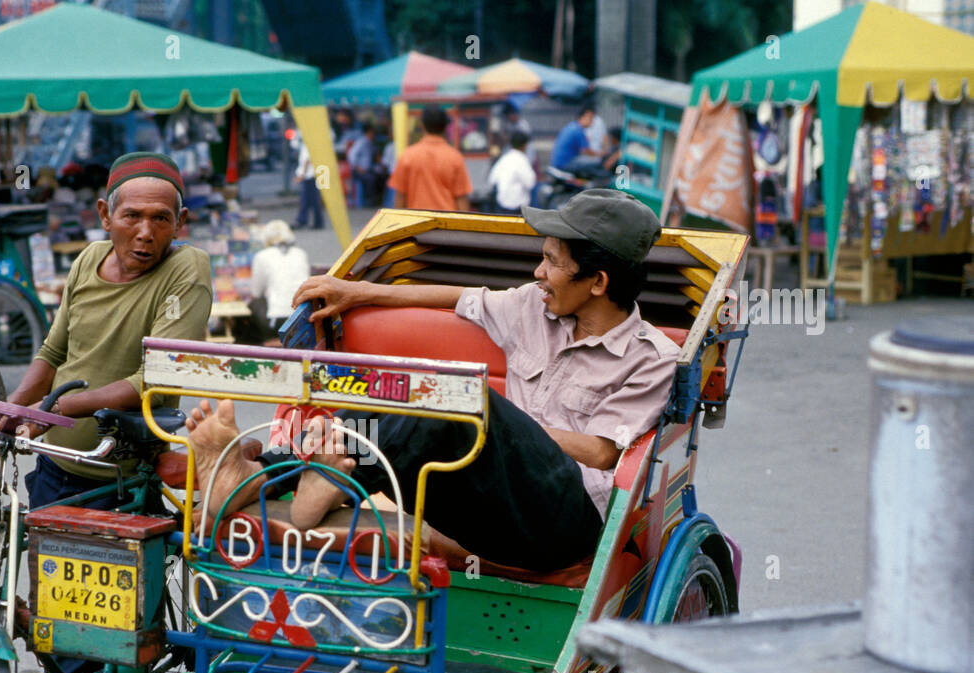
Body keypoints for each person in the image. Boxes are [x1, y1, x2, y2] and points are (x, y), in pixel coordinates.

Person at [186, 189, 678, 578]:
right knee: (418, 388)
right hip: (485, 503)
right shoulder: (533, 305)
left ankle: (338, 479)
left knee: (463, 399)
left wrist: (495, 428)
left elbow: (600, 453)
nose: (538, 272)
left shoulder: (652, 358)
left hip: (562, 524)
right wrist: (356, 290)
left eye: (552, 262)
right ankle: (266, 474)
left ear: (598, 282)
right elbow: (459, 296)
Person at [0, 152, 213, 673]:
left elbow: (171, 368)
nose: (145, 231)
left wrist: (78, 404)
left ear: (180, 224)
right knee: (52, 627)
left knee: (78, 635)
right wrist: (20, 408)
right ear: (104, 217)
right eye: (132, 216)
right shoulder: (88, 262)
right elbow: (55, 351)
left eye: (161, 218)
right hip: (59, 473)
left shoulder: (187, 271)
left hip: (126, 474)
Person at [387, 106, 472, 212]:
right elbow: (461, 198)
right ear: (446, 126)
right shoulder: (455, 157)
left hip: (416, 224)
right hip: (447, 225)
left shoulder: (407, 156)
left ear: (422, 125)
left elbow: (400, 197)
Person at [248, 219, 310, 344]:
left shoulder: (262, 256)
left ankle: (264, 343)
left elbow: (256, 293)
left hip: (276, 319)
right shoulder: (301, 254)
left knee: (255, 303)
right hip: (303, 315)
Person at [487, 131, 537, 214]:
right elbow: (530, 183)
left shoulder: (504, 159)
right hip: (517, 209)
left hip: (501, 206)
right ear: (524, 145)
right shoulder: (522, 161)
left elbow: (492, 179)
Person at [550, 104, 601, 175]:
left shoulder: (572, 126)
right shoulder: (578, 130)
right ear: (582, 117)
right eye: (590, 118)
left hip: (559, 162)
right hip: (566, 163)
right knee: (597, 162)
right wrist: (601, 155)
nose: (592, 121)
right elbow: (588, 152)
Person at [291, 135, 324, 230]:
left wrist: (301, 175)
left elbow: (307, 161)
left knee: (306, 200)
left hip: (309, 176)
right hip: (312, 176)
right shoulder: (313, 145)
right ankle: (318, 222)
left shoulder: (308, 146)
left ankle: (302, 220)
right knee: (313, 200)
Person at [346, 121, 378, 207]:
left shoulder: (371, 143)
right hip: (358, 171)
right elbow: (351, 155)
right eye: (373, 133)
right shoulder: (361, 142)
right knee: (370, 179)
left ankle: (371, 200)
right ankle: (368, 202)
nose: (374, 135)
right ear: (369, 132)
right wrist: (358, 168)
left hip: (367, 170)